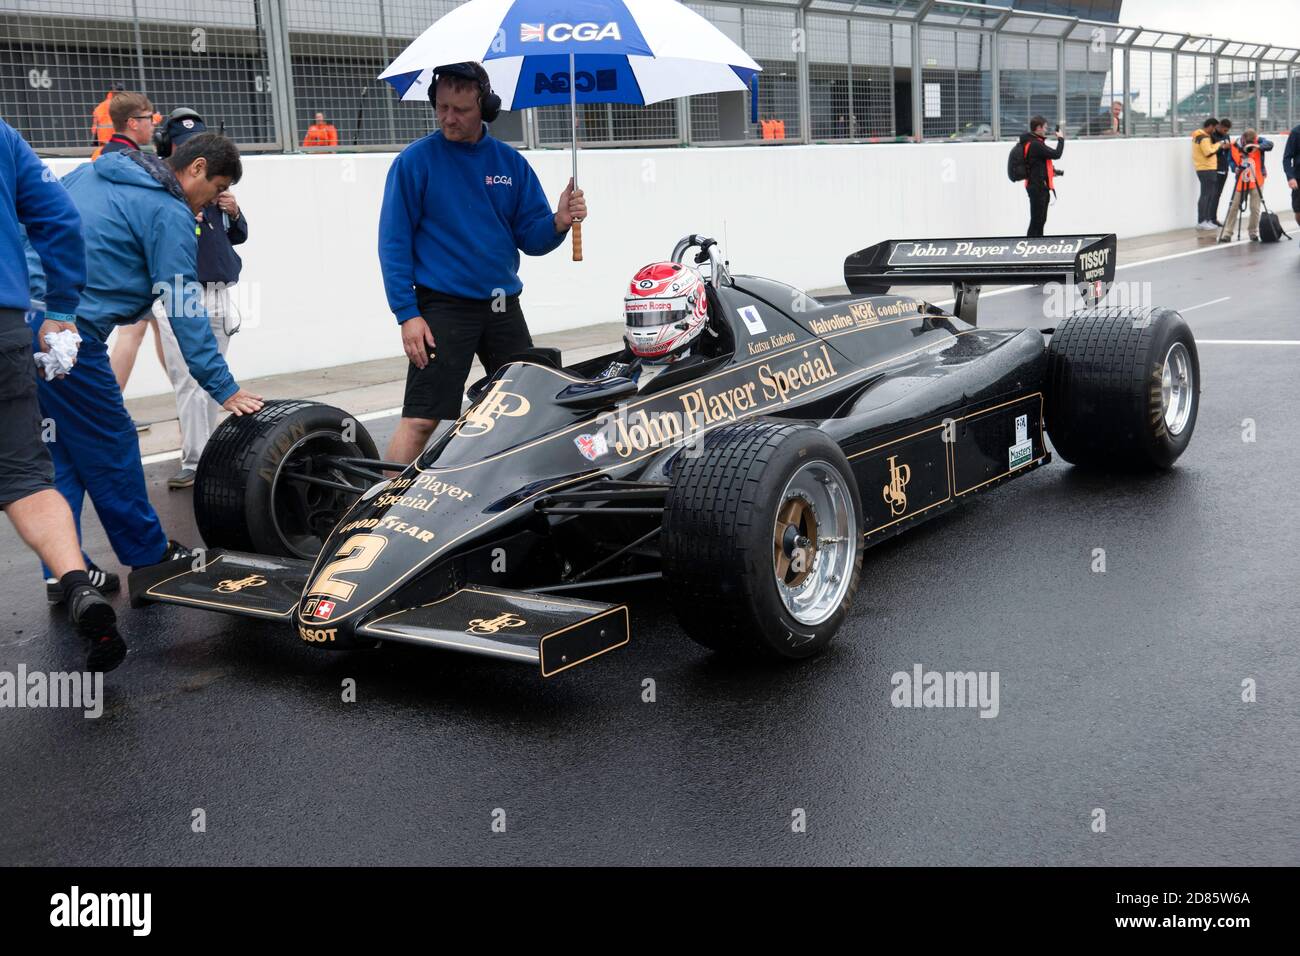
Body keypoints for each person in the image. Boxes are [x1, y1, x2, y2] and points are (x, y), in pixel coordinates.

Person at [30, 133, 263, 594]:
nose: (214, 201)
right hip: (67, 338)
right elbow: (182, 302)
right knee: (112, 444)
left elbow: (35, 220)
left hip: (21, 320)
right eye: (215, 188)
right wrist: (224, 387)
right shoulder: (169, 212)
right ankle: (149, 557)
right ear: (195, 168)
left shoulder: (95, 172)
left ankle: (63, 568)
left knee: (63, 453)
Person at [377, 61, 587, 465]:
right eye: (441, 107)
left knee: (532, 411)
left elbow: (533, 239)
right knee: (421, 420)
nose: (448, 118)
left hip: (502, 308)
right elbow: (393, 244)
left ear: (485, 107)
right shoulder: (414, 163)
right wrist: (407, 314)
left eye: (460, 110)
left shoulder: (511, 164)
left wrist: (559, 221)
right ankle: (379, 511)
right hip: (441, 309)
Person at [0, 118, 126, 671]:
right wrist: (60, 310)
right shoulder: (3, 135)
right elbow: (57, 217)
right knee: (26, 476)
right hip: (6, 324)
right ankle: (76, 582)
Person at [150, 112, 250, 489]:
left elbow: (237, 236)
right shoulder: (164, 192)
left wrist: (234, 212)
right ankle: (196, 460)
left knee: (214, 377)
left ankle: (211, 454)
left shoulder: (215, 190)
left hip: (219, 290)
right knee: (191, 380)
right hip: (181, 294)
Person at [590, 262, 717, 393]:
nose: (645, 328)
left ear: (693, 310)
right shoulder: (630, 367)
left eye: (661, 316)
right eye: (639, 317)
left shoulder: (703, 378)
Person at [1219, 128, 1273, 242]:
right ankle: (1227, 233)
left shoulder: (1259, 141)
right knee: (1234, 207)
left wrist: (1257, 146)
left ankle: (1253, 232)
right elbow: (1230, 161)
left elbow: (1270, 144)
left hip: (1257, 179)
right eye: (1247, 144)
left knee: (1255, 208)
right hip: (1241, 180)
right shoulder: (1234, 145)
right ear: (1243, 139)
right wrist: (1235, 168)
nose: (1249, 147)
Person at [1019, 116, 1064, 238]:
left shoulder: (1035, 143)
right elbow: (1056, 154)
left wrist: (1051, 172)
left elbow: (1038, 164)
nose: (1046, 130)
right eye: (1045, 127)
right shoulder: (1035, 144)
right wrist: (1061, 139)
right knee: (1036, 221)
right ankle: (1030, 246)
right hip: (1037, 187)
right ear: (1038, 128)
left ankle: (1038, 245)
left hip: (1040, 186)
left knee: (1040, 220)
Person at [90, 91, 155, 161]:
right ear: (133, 123)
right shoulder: (135, 160)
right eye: (149, 117)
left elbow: (94, 128)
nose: (153, 122)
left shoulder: (99, 155)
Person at [1192, 117, 1227, 230]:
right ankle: (1202, 221)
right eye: (1214, 128)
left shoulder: (1201, 136)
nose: (1214, 130)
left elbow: (1209, 149)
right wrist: (1219, 145)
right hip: (1206, 169)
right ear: (1211, 126)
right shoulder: (1204, 138)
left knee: (1209, 194)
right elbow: (1208, 152)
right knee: (1206, 195)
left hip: (1207, 168)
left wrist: (1216, 145)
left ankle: (1206, 220)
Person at [1210, 118, 1233, 226]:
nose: (1226, 133)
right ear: (1219, 126)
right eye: (1224, 130)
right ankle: (1210, 219)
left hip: (1224, 168)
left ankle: (1214, 218)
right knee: (1213, 194)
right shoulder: (1212, 136)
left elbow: (1228, 152)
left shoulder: (1226, 136)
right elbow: (1210, 151)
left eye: (1227, 131)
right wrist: (1222, 146)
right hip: (1215, 168)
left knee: (1218, 194)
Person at [89, 82, 125, 150]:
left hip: (103, 141)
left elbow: (94, 128)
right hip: (118, 141)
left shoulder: (101, 106)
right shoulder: (121, 105)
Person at [1281, 121, 1300, 242]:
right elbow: (1287, 157)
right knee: (1298, 210)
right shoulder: (1296, 133)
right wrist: (1290, 177)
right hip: (1298, 177)